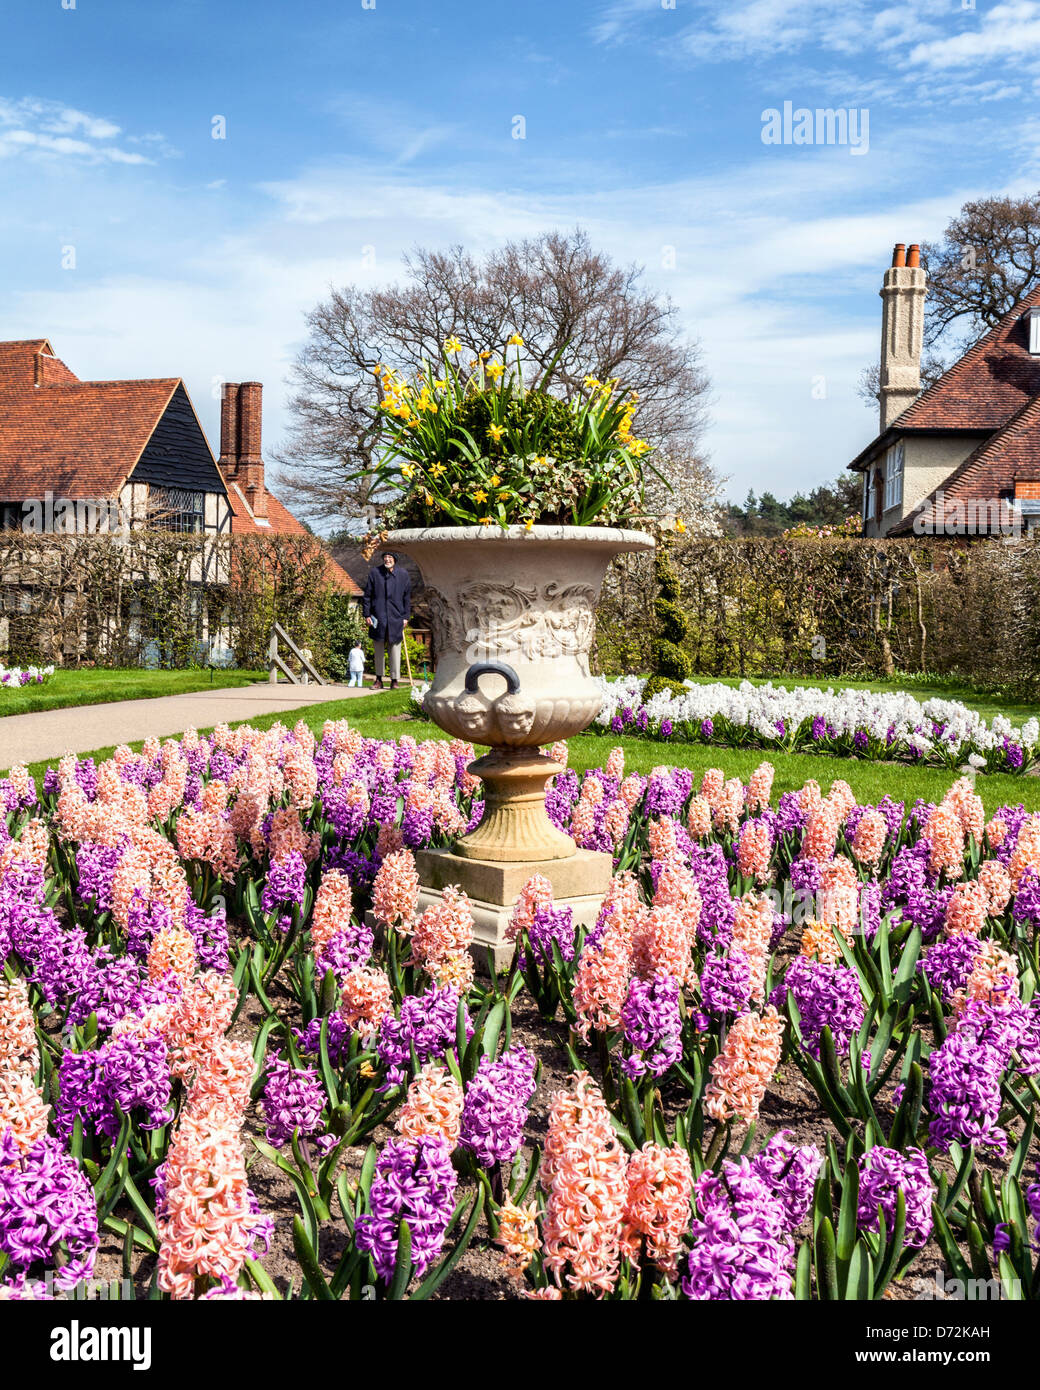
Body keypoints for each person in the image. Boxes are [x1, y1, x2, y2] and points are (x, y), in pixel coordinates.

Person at [362, 550, 411, 690]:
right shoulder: (375, 573)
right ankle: (378, 680)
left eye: (390, 557)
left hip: (396, 618)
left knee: (395, 649)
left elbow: (407, 598)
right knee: (378, 650)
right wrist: (367, 615)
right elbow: (367, 597)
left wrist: (406, 617)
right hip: (378, 618)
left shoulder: (403, 575)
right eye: (385, 557)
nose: (387, 559)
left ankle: (394, 681)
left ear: (395, 559)